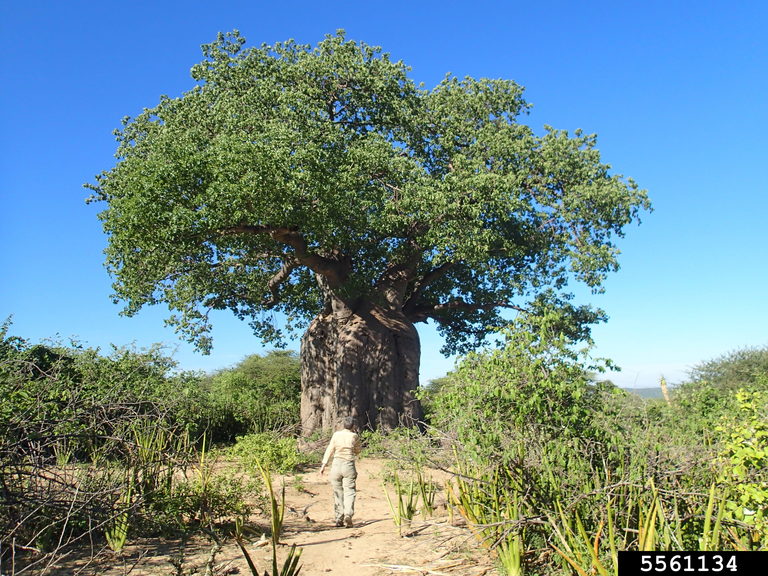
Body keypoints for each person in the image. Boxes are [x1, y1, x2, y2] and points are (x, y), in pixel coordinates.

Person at [319, 416, 362, 527]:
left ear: (343, 425)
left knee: (337, 492)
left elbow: (330, 449)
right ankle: (348, 514)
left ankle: (339, 517)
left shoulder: (336, 435)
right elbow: (358, 450)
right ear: (353, 426)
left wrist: (324, 465)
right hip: (348, 465)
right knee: (349, 491)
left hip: (336, 465)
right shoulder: (354, 436)